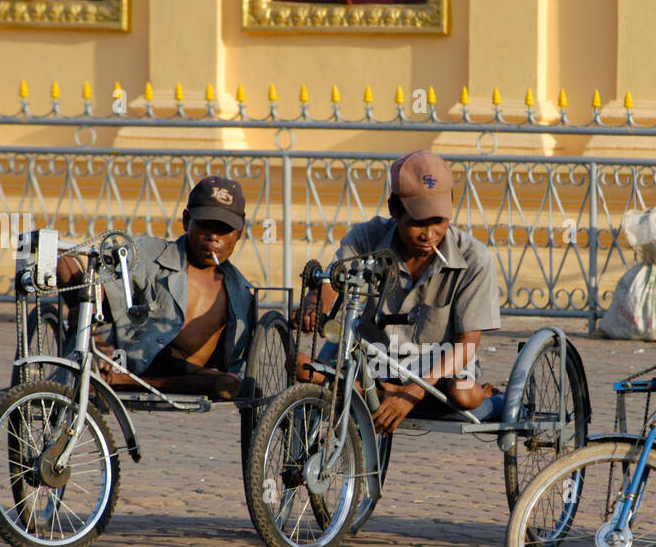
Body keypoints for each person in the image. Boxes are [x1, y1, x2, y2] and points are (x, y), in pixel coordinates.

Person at [294, 150, 502, 433]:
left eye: (438, 221)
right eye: (418, 223)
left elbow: (467, 345)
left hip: (437, 368)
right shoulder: (367, 238)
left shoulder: (475, 259)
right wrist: (315, 300)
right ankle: (374, 398)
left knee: (464, 394)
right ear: (394, 209)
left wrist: (411, 393)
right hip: (369, 364)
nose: (429, 235)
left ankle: (496, 398)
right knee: (299, 365)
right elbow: (333, 280)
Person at [56, 175, 254, 399]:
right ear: (186, 220)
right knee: (77, 282)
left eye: (223, 230)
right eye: (205, 226)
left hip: (181, 376)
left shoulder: (241, 292)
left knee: (228, 385)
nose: (213, 238)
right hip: (124, 355)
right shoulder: (148, 253)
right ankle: (108, 368)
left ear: (239, 232)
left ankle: (122, 382)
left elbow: (244, 358)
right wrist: (93, 326)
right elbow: (107, 289)